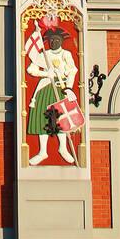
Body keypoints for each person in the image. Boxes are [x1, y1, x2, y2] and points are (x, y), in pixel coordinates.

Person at [26, 25, 78, 165]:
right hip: (45, 88)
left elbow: (72, 70)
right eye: (52, 40)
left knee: (61, 118)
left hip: (60, 88)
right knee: (42, 118)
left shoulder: (66, 54)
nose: (54, 42)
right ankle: (42, 152)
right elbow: (31, 69)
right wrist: (45, 73)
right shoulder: (44, 55)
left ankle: (63, 148)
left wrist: (68, 88)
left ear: (61, 40)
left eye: (57, 39)